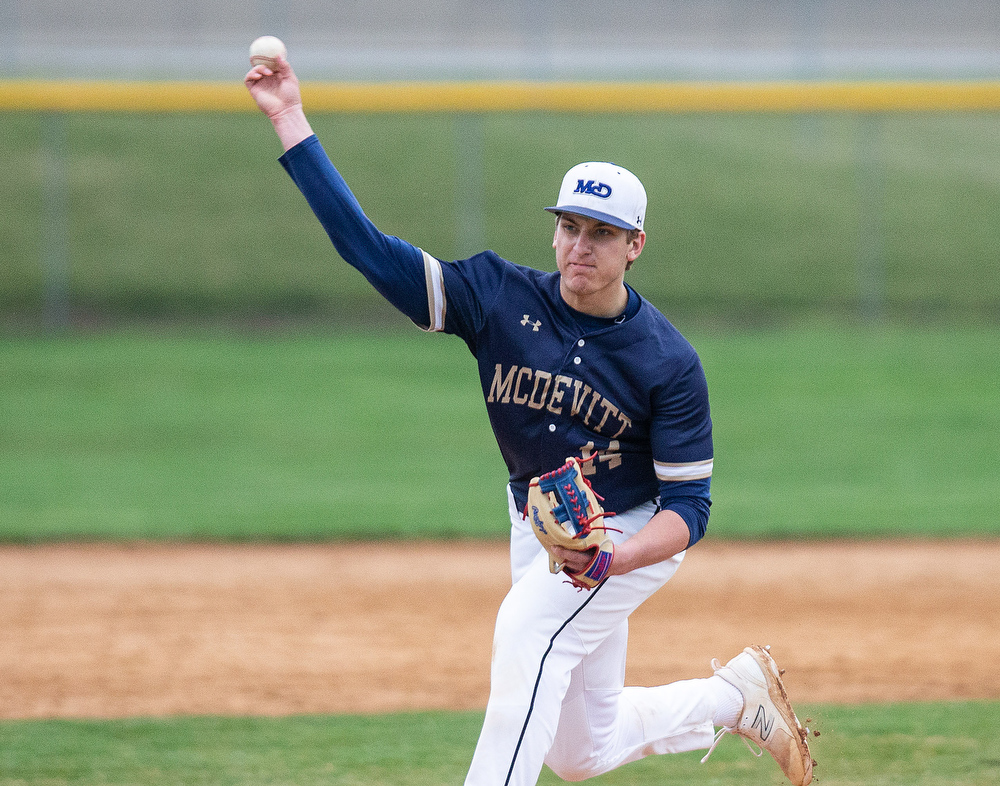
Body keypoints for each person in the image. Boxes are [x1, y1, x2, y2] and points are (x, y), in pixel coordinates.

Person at [244, 54, 814, 786]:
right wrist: (288, 118)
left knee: (526, 627)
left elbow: (690, 510)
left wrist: (612, 559)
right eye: (571, 226)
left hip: (629, 529)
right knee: (578, 751)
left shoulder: (667, 361)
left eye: (602, 233)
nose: (581, 245)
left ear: (634, 246)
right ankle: (733, 697)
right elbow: (368, 251)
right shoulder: (496, 296)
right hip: (537, 522)